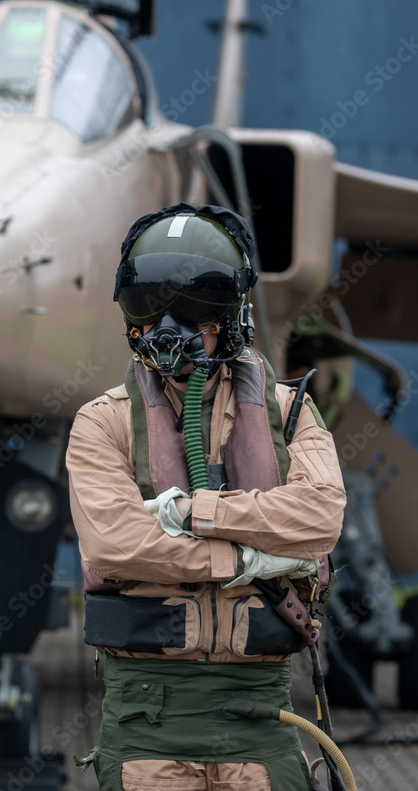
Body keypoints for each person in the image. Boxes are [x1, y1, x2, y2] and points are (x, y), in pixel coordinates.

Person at [66, 203, 346, 791]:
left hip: (257, 711)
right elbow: (115, 546)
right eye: (150, 306)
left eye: (195, 309)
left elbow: (320, 518)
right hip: (147, 716)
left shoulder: (289, 412)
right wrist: (252, 559)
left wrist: (194, 513)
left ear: (231, 315)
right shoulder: (102, 422)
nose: (168, 328)